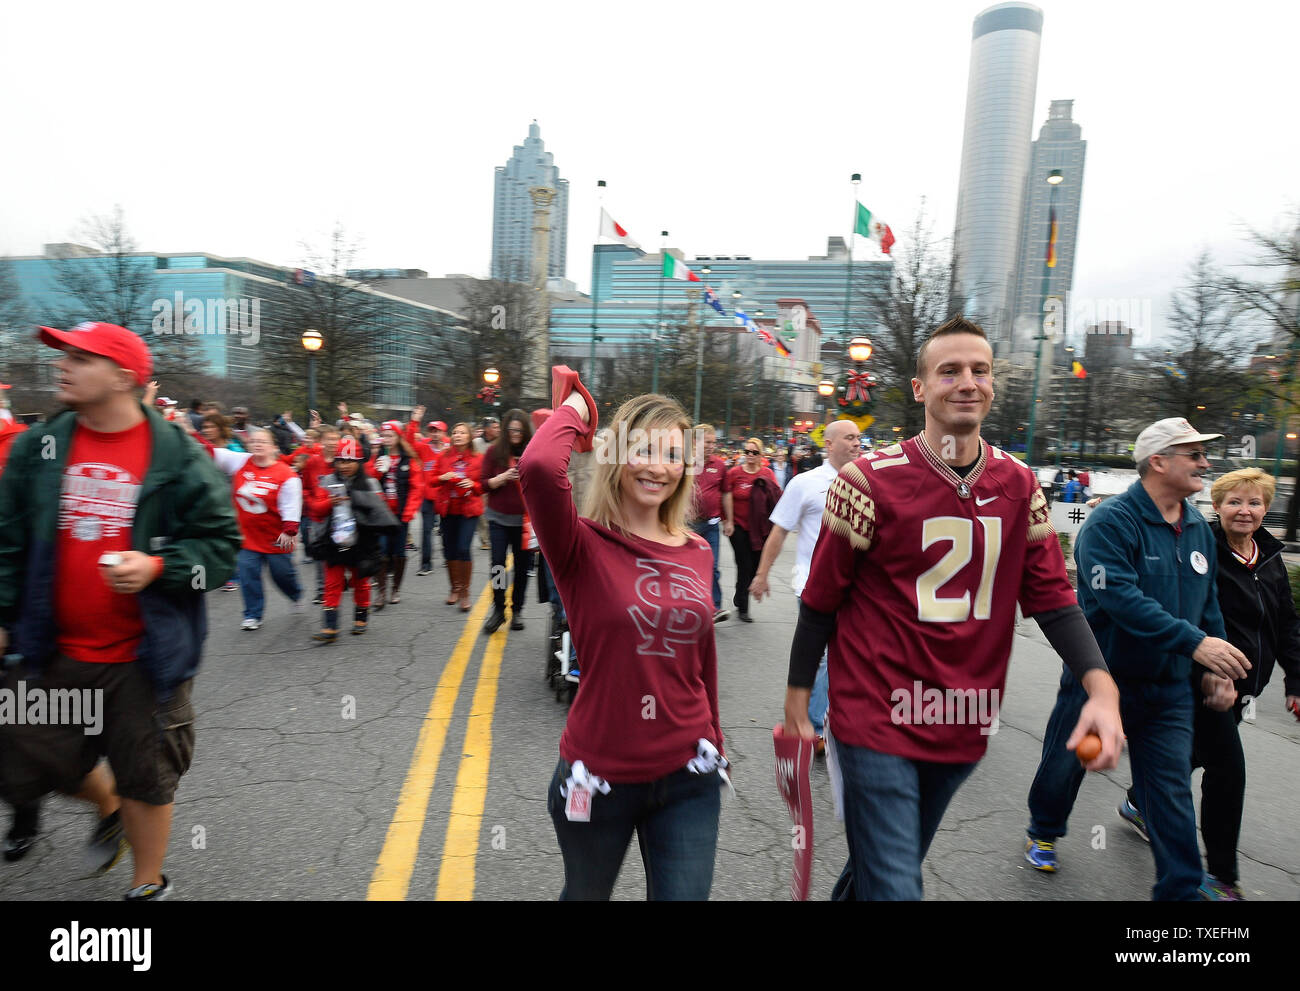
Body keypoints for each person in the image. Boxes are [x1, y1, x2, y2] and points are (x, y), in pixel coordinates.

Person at [782, 316, 1123, 901]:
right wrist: (797, 702)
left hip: (963, 717)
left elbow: (1051, 597)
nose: (968, 382)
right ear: (921, 389)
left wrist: (1101, 687)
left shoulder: (1018, 484)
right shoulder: (867, 481)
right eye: (950, 371)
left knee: (885, 866)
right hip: (874, 715)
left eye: (980, 370)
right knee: (895, 885)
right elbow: (821, 600)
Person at [0, 322, 241, 900]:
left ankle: (147, 884)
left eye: (79, 358)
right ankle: (105, 803)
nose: (62, 366)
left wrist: (158, 568)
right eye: (61, 355)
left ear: (124, 377)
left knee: (148, 775)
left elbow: (221, 550)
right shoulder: (39, 446)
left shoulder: (179, 455)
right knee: (24, 754)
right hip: (53, 648)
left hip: (144, 655)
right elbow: (8, 539)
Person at [519, 369, 726, 901]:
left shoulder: (697, 550)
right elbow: (539, 468)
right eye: (645, 449)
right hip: (599, 778)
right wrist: (580, 412)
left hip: (688, 777)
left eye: (674, 454)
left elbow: (701, 661)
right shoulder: (579, 545)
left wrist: (716, 740)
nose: (660, 466)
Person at [1023, 416, 1249, 900]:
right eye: (1194, 454)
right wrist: (1195, 644)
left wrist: (1215, 664)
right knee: (1068, 765)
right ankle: (1044, 828)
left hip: (1166, 690)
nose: (1205, 463)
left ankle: (1181, 889)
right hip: (1102, 681)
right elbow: (1119, 599)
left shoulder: (1196, 528)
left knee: (1168, 791)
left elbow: (1208, 604)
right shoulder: (1111, 522)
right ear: (1159, 461)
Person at [750, 419, 860, 750]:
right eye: (849, 438)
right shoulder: (805, 483)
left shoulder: (870, 480)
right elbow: (780, 530)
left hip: (855, 589)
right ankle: (815, 727)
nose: (857, 443)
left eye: (859, 437)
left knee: (846, 655)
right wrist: (761, 573)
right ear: (828, 444)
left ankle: (833, 715)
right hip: (811, 585)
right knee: (824, 657)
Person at [305, 436, 397, 640]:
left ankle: (361, 618)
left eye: (349, 461)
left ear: (359, 462)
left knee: (361, 582)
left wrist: (359, 500)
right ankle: (330, 627)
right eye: (340, 461)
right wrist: (331, 502)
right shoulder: (328, 481)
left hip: (362, 541)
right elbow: (316, 511)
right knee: (332, 583)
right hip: (334, 541)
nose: (344, 466)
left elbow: (382, 510)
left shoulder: (371, 483)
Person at [211, 429, 304, 630]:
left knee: (282, 575)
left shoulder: (287, 475)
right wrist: (186, 432)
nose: (257, 444)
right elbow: (209, 452)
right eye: (253, 441)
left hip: (276, 536)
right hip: (247, 536)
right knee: (248, 574)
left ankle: (295, 593)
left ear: (274, 447)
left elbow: (291, 505)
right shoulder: (240, 462)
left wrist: (289, 530)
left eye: (262, 441)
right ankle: (253, 614)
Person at [480, 409, 535, 634]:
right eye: (512, 430)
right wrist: (503, 477)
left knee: (523, 569)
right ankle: (499, 608)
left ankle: (518, 610)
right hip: (499, 520)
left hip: (525, 522)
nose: (515, 434)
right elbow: (483, 484)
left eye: (520, 430)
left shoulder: (532, 452)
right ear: (505, 430)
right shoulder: (494, 452)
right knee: (498, 566)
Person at [721, 437, 779, 623]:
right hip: (738, 526)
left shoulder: (768, 473)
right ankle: (744, 608)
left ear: (761, 455)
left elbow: (775, 496)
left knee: (754, 567)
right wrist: (728, 521)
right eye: (747, 452)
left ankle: (739, 595)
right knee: (744, 565)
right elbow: (727, 496)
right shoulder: (735, 473)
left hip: (759, 529)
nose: (750, 456)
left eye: (754, 452)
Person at [370, 421, 424, 608]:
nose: (386, 440)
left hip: (401, 514)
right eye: (384, 436)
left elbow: (417, 488)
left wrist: (408, 512)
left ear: (398, 437)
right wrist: (377, 470)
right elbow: (369, 481)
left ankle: (395, 589)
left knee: (398, 553)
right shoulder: (378, 456)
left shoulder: (408, 460)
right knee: (381, 551)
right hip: (382, 514)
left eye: (390, 436)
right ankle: (381, 592)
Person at [434, 423, 484, 611]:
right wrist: (442, 477)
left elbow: (482, 486)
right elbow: (431, 480)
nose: (458, 435)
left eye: (462, 432)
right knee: (449, 550)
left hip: (469, 510)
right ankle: (454, 588)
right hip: (448, 510)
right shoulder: (444, 457)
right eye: (455, 432)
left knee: (463, 548)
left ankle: (465, 592)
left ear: (470, 436)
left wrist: (472, 484)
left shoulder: (479, 459)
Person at [690, 424, 729, 623]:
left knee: (712, 565)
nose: (711, 446)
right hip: (687, 525)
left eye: (714, 442)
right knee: (687, 566)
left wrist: (728, 520)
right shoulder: (684, 462)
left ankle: (715, 607)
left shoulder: (720, 465)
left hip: (711, 524)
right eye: (707, 442)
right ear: (695, 441)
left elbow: (725, 493)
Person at [405, 408, 446, 576]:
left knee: (446, 530)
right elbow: (408, 443)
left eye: (437, 431)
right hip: (428, 496)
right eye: (431, 431)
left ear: (444, 432)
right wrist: (414, 421)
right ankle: (426, 563)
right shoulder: (423, 448)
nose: (434, 434)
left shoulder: (450, 449)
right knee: (426, 530)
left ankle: (449, 555)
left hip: (446, 498)